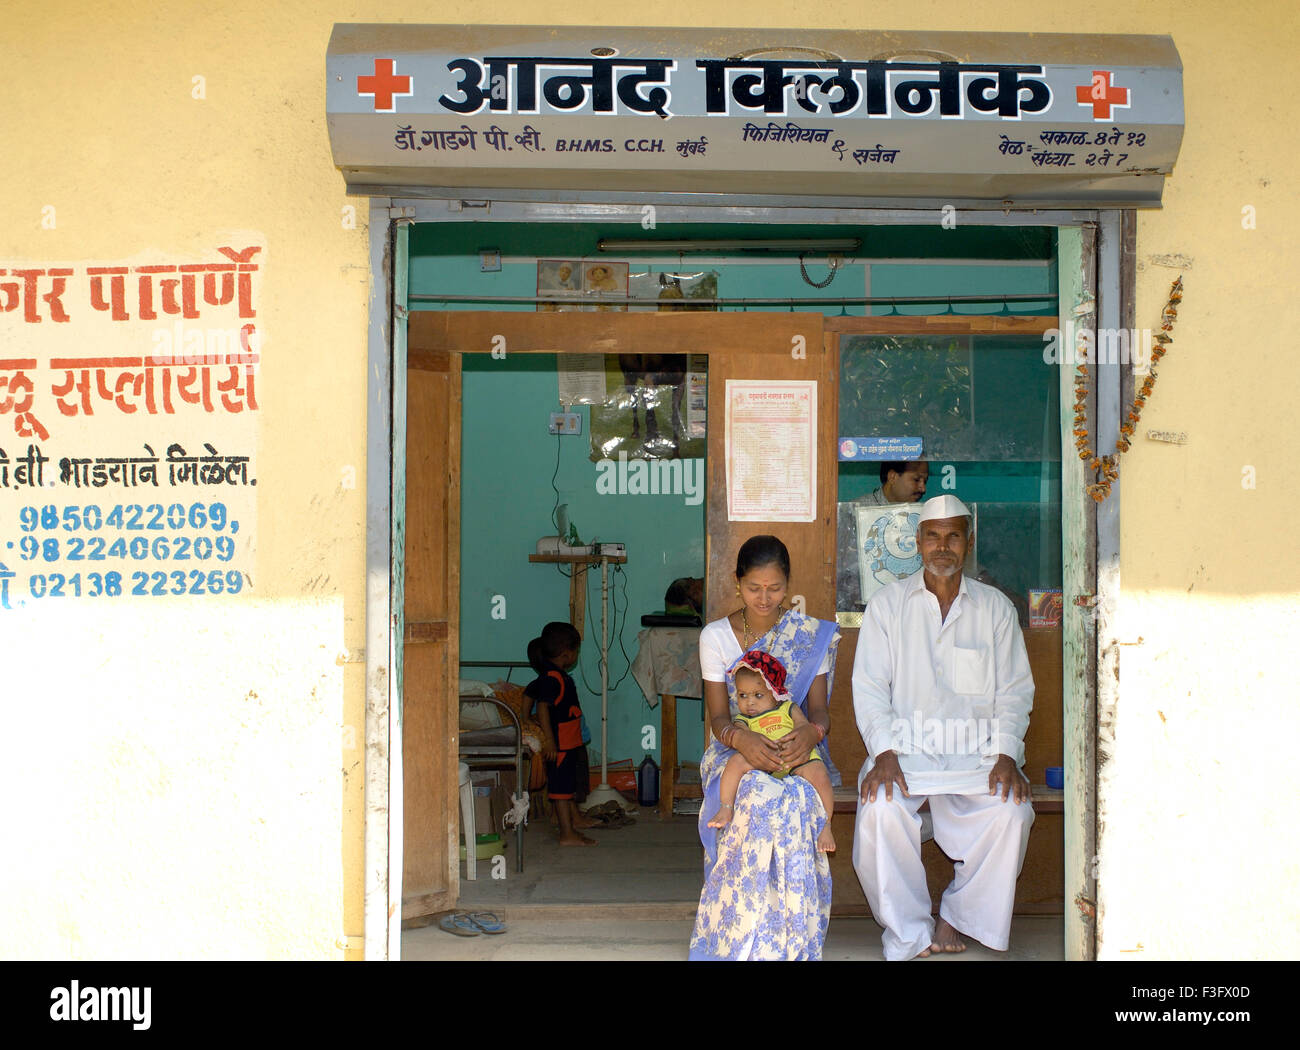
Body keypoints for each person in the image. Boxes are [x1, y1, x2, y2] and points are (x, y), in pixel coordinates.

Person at [851, 494, 1035, 960]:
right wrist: (885, 753)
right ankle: (908, 933)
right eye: (933, 536)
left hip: (976, 755)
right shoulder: (888, 606)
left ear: (968, 542)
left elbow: (1014, 690)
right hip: (905, 751)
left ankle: (957, 914)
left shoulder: (995, 609)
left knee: (1011, 812)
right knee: (879, 808)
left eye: (953, 536)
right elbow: (870, 687)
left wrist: (1007, 754)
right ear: (917, 542)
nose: (942, 546)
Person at [689, 535, 841, 961]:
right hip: (735, 749)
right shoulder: (716, 636)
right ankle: (739, 932)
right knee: (753, 795)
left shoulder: (809, 636)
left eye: (774, 588)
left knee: (796, 796)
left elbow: (820, 712)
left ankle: (790, 932)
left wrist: (812, 733)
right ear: (737, 584)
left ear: (787, 584)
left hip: (796, 747)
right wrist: (743, 740)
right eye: (754, 587)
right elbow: (719, 718)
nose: (764, 597)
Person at [706, 652, 837, 853]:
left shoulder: (788, 708)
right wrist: (747, 741)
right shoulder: (744, 719)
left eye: (758, 695)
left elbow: (803, 728)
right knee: (736, 763)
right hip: (763, 759)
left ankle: (826, 825)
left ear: (775, 692)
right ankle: (725, 807)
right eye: (742, 695)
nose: (749, 702)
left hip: (796, 758)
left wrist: (800, 740)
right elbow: (742, 736)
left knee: (820, 774)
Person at [524, 621, 596, 847]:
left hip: (569, 741)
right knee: (561, 790)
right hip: (561, 744)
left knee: (567, 785)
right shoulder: (552, 679)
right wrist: (551, 743)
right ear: (567, 654)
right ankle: (567, 833)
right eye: (576, 651)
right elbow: (543, 708)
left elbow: (530, 694)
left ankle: (572, 823)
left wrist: (525, 715)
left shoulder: (553, 675)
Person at [854, 460, 930, 507]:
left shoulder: (921, 515)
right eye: (916, 480)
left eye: (925, 481)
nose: (923, 489)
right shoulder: (859, 510)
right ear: (892, 477)